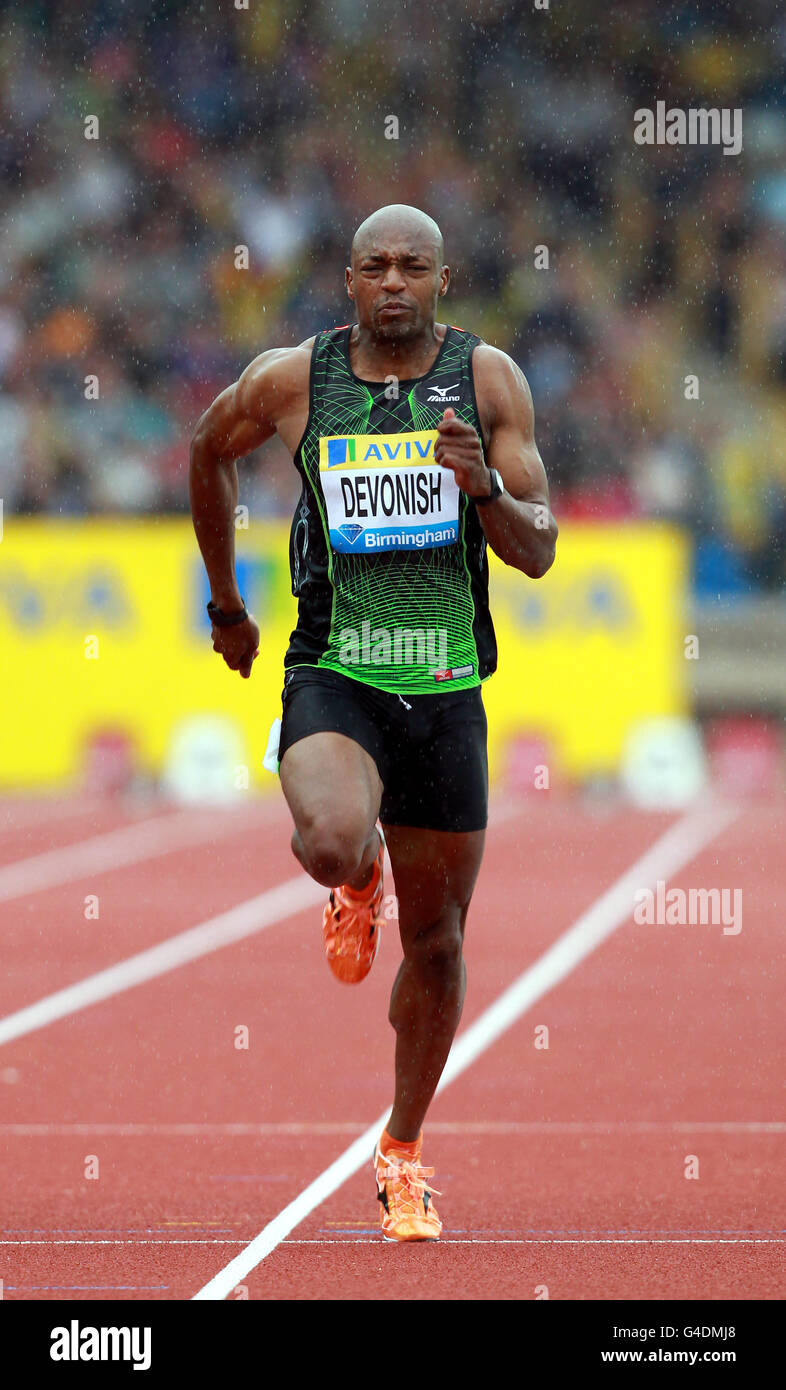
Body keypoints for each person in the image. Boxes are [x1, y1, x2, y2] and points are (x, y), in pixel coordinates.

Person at [189, 204, 557, 1242]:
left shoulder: (490, 384)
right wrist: (225, 601)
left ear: (443, 281)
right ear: (348, 280)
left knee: (437, 945)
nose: (394, 281)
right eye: (375, 266)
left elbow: (539, 549)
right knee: (331, 838)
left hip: (445, 690)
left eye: (414, 266)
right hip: (335, 671)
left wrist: (481, 486)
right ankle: (357, 880)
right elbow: (206, 450)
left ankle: (402, 1149)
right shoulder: (295, 380)